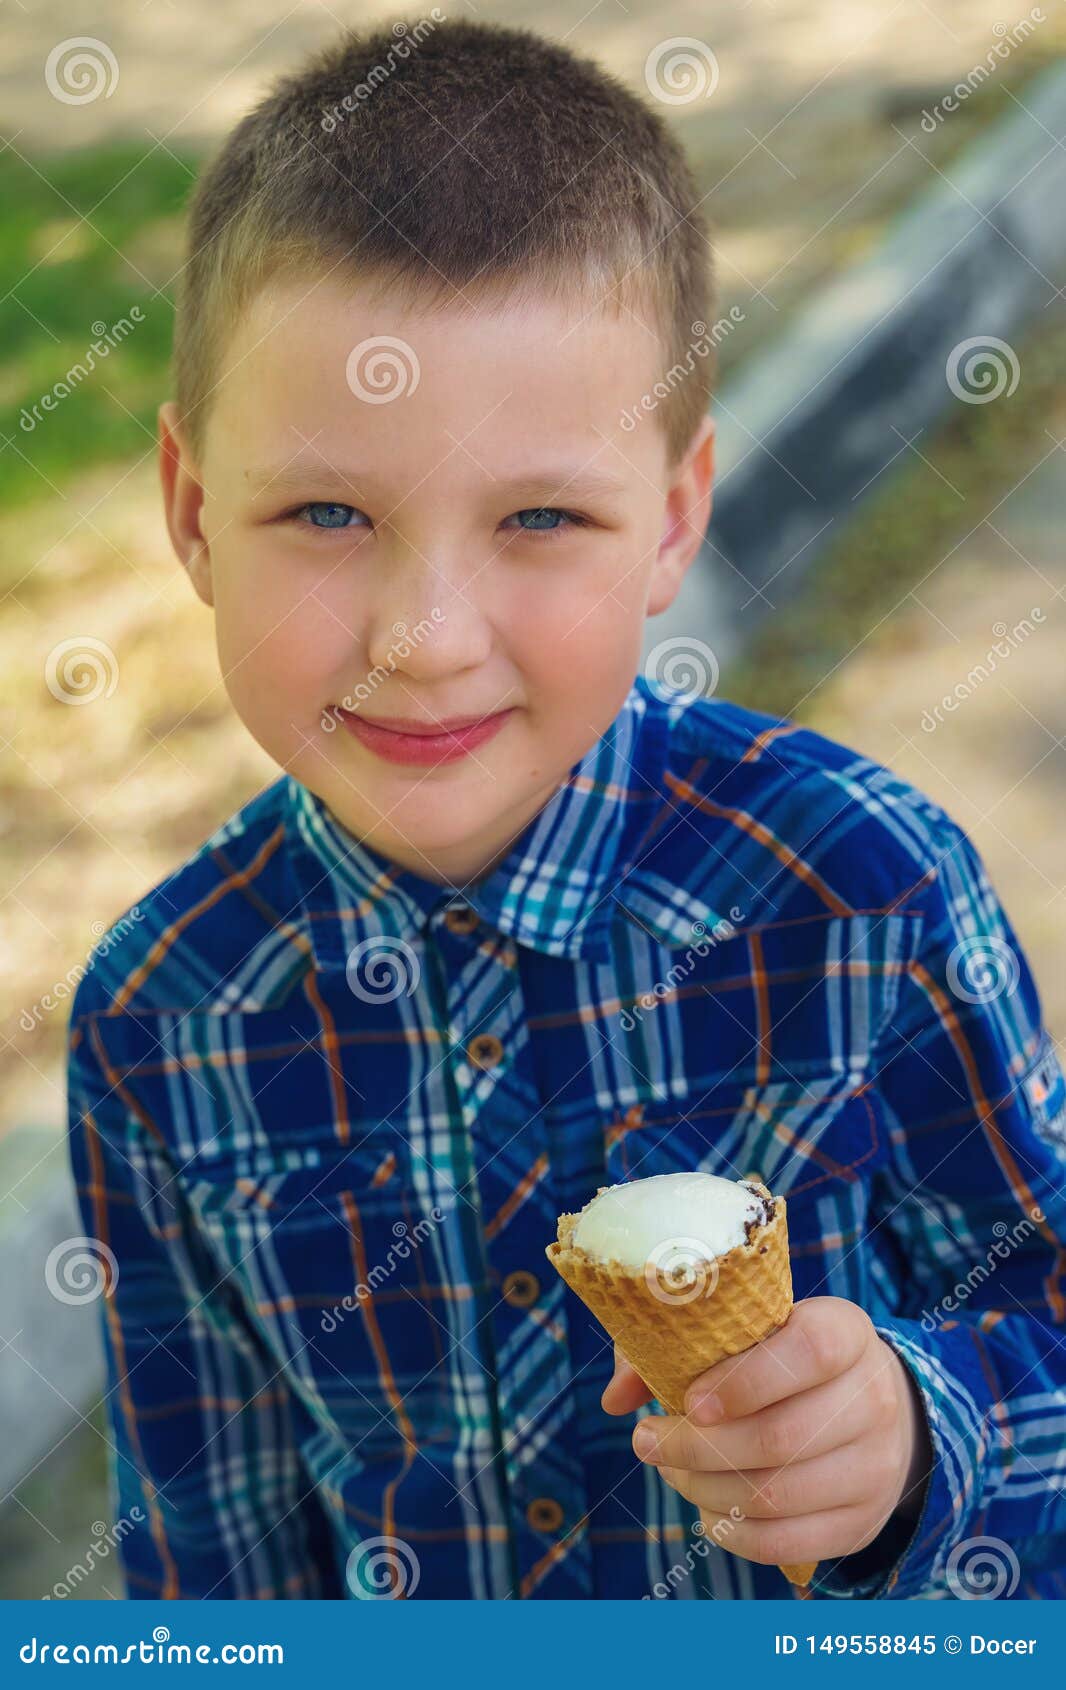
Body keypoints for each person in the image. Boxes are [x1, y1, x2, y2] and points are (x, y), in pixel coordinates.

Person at [65, 15, 1066, 1600]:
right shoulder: (161, 1017)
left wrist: (914, 1447)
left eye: (540, 515)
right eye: (326, 510)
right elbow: (216, 1559)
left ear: (671, 520)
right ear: (193, 513)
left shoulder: (863, 891)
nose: (424, 636)